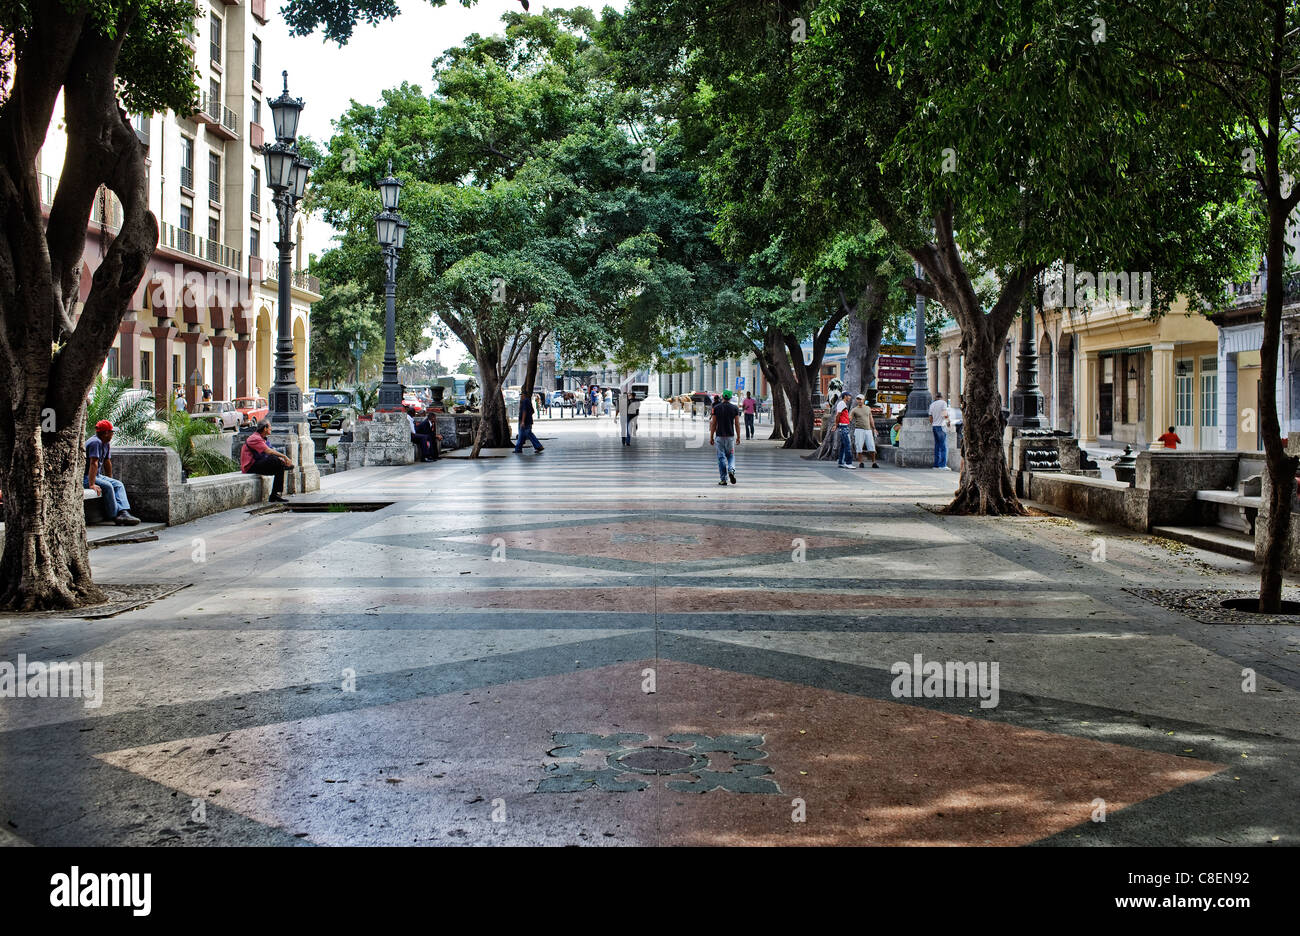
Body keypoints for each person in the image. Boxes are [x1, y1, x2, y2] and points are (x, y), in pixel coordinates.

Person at [84, 420, 140, 525]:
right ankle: (115, 516)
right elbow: (93, 463)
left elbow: (107, 461)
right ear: (106, 433)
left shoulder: (105, 443)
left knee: (118, 484)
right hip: (86, 477)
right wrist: (91, 484)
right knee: (108, 486)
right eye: (111, 432)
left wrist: (110, 478)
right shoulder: (95, 442)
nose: (113, 434)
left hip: (97, 475)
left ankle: (124, 512)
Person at [241, 418, 293, 502]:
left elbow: (272, 449)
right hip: (250, 466)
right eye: (270, 427)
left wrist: (281, 459)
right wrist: (284, 457)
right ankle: (283, 465)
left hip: (259, 463)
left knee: (279, 466)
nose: (271, 428)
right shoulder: (254, 438)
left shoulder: (263, 438)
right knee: (274, 460)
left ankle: (275, 495)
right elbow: (269, 451)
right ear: (265, 428)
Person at [710, 389, 741, 485]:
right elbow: (737, 423)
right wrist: (738, 436)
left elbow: (713, 423)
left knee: (721, 458)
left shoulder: (716, 408)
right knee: (731, 456)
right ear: (731, 398)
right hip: (730, 437)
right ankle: (731, 469)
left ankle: (723, 479)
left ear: (722, 397)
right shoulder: (735, 408)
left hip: (719, 437)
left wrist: (711, 437)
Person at [850, 394, 879, 468]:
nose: (859, 400)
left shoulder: (868, 408)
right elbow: (849, 419)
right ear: (857, 400)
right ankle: (860, 462)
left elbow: (871, 419)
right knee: (859, 447)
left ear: (863, 400)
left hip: (868, 430)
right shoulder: (854, 410)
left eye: (861, 399)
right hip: (859, 429)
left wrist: (874, 428)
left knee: (872, 447)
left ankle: (874, 462)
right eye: (858, 399)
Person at [929, 392, 949, 469]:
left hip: (934, 426)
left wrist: (933, 423)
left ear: (936, 397)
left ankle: (936, 465)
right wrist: (948, 421)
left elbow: (930, 417)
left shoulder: (932, 404)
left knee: (937, 446)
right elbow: (944, 414)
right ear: (942, 397)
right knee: (943, 446)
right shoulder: (943, 403)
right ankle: (943, 465)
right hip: (941, 426)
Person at [835, 391, 854, 468]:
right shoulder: (842, 404)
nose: (850, 397)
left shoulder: (843, 404)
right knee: (847, 445)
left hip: (844, 426)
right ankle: (848, 462)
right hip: (843, 427)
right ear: (845, 396)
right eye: (849, 396)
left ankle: (841, 462)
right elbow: (837, 415)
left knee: (843, 445)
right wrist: (836, 425)